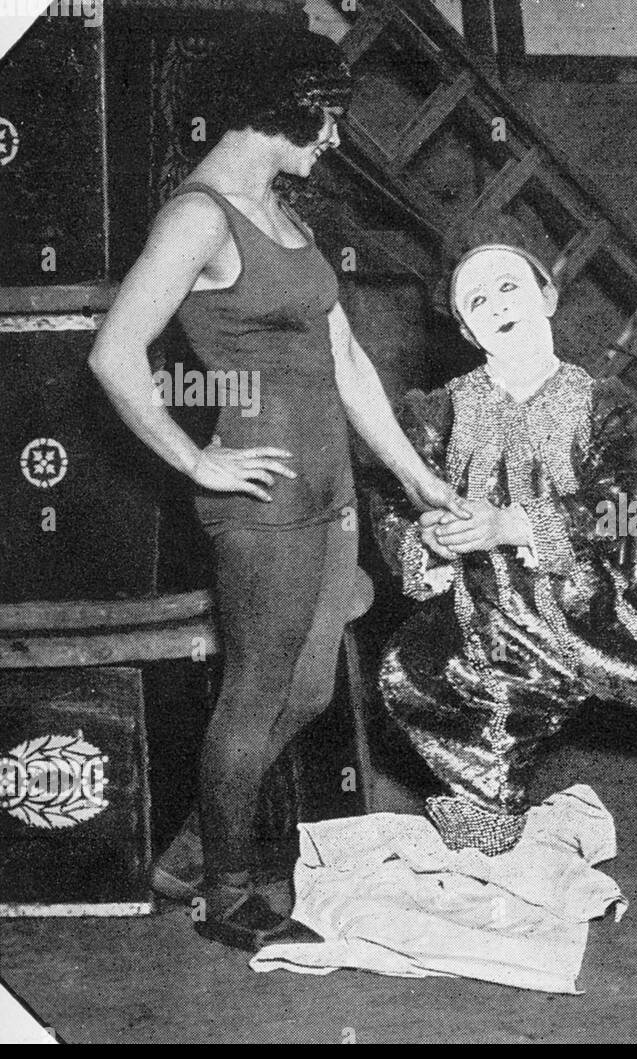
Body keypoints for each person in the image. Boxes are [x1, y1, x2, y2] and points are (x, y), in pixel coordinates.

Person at [88, 30, 466, 951]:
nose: (334, 137)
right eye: (328, 114)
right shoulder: (200, 217)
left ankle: (186, 843)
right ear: (285, 107)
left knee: (305, 695)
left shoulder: (283, 211)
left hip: (331, 486)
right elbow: (112, 352)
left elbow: (345, 360)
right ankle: (228, 895)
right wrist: (196, 459)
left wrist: (420, 482)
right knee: (255, 696)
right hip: (260, 498)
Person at [367, 231, 637, 856]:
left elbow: (615, 506)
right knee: (422, 678)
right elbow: (390, 498)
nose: (498, 307)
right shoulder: (436, 412)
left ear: (546, 297)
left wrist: (511, 526)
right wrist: (427, 538)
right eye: (477, 302)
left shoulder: (603, 404)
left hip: (596, 603)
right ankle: (488, 832)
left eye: (510, 287)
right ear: (466, 331)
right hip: (486, 612)